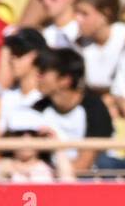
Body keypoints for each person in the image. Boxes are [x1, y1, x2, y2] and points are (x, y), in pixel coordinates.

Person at [15, 47, 113, 175]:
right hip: (48, 178)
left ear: (65, 80)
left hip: (90, 179)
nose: (38, 77)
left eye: (43, 72)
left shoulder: (94, 108)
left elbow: (84, 164)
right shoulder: (38, 108)